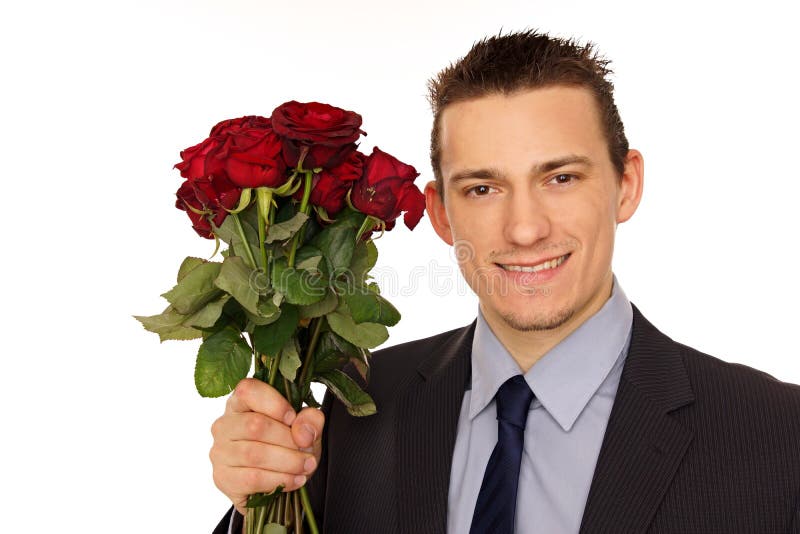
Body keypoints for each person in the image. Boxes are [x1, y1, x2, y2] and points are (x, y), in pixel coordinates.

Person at [210, 30, 800, 534]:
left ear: (626, 184)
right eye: (483, 189)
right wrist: (259, 499)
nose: (524, 229)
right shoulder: (354, 409)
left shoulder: (776, 436)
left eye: (561, 178)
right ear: (440, 213)